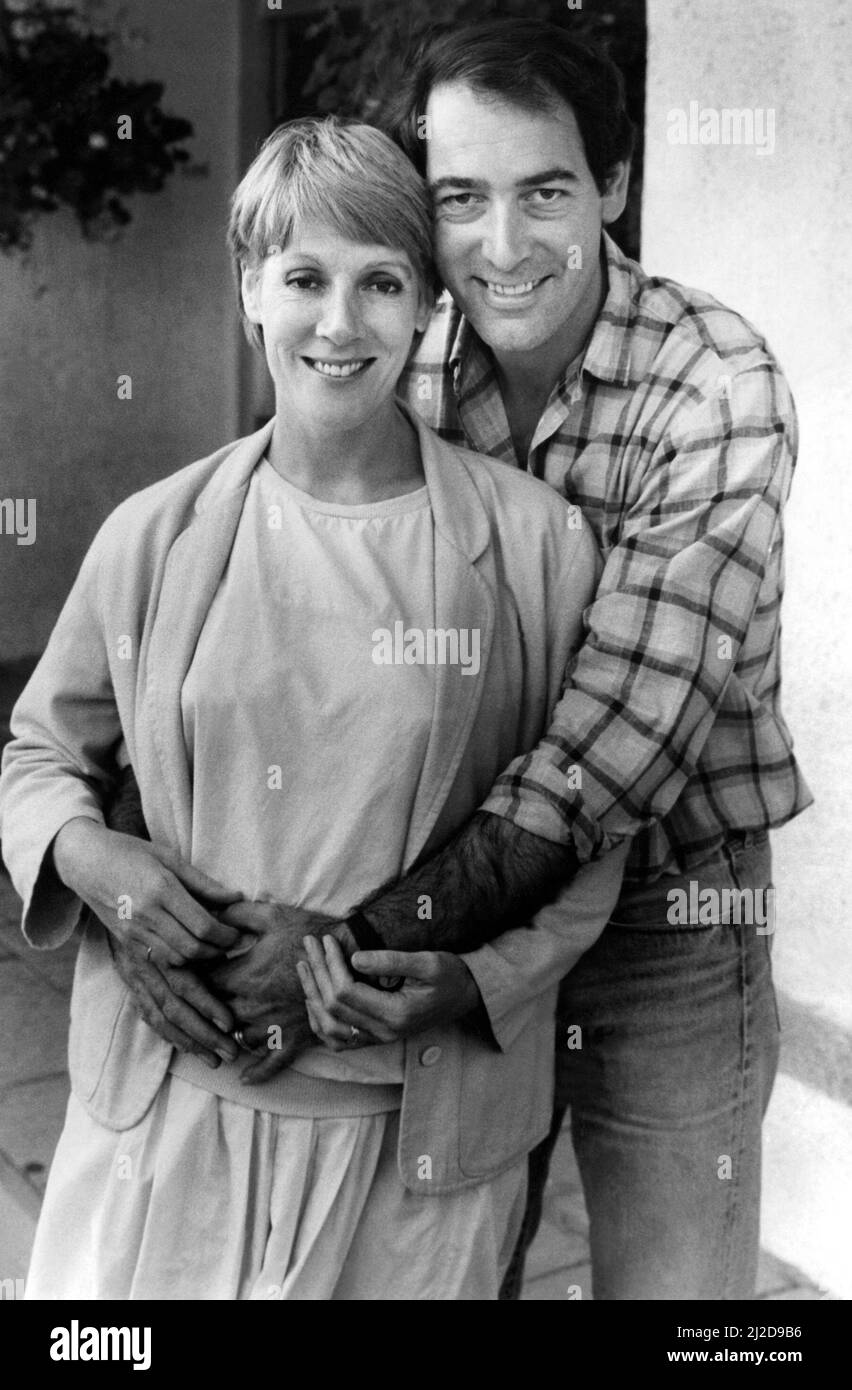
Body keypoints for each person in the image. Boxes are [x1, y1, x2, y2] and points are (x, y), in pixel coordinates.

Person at [0, 116, 628, 1300]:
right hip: (167, 1114)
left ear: (430, 308)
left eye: (380, 282)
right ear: (250, 289)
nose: (339, 324)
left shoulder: (537, 548)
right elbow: (39, 752)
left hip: (409, 1143)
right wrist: (99, 867)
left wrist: (477, 982)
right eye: (304, 278)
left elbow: (588, 831)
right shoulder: (156, 532)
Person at [275, 19, 812, 1300]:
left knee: (679, 1307)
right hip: (430, 882)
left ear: (616, 185)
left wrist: (349, 944)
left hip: (665, 919)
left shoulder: (714, 379)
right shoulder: (404, 357)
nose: (502, 248)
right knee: (443, 1273)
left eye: (546, 193)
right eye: (461, 198)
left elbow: (608, 751)